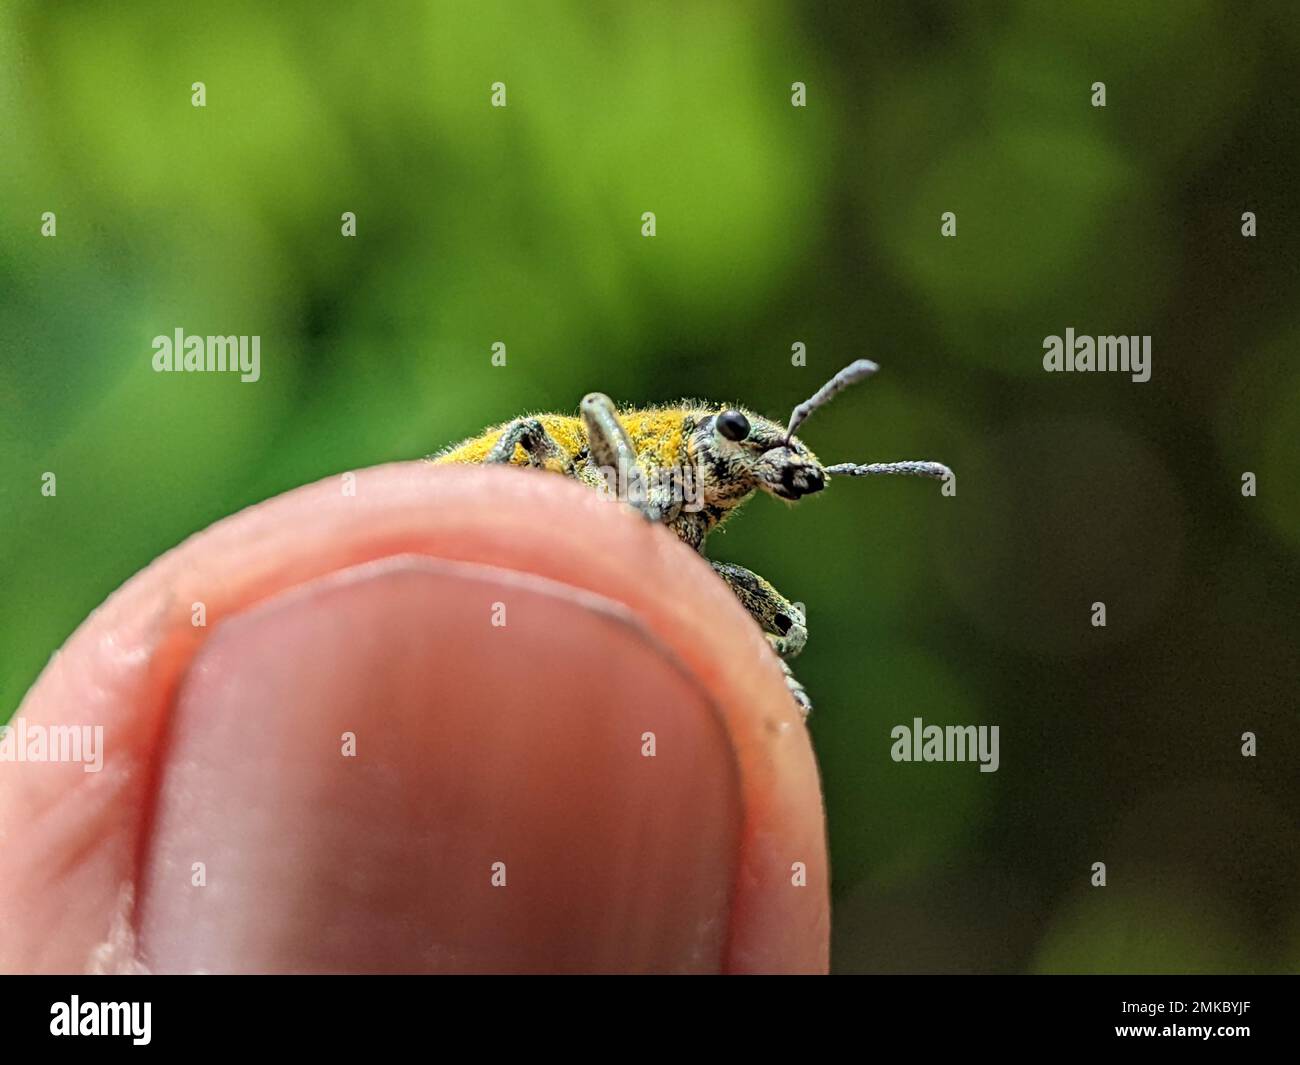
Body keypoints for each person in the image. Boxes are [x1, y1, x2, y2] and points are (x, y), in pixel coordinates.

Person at [0, 464, 828, 973]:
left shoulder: (696, 513)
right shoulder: (639, 450)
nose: (761, 467)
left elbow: (767, 613)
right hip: (501, 500)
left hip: (507, 549)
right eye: (740, 447)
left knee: (774, 625)